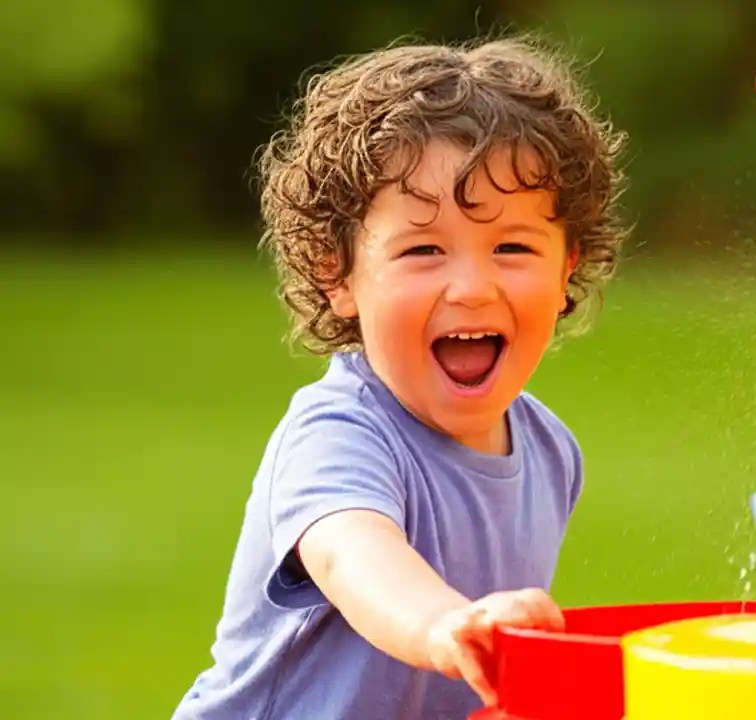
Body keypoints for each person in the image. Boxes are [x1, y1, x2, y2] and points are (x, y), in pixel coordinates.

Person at [173, 35, 627, 720]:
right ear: (339, 276)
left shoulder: (550, 451)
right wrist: (444, 626)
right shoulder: (339, 432)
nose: (471, 287)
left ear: (568, 266)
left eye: (511, 246)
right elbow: (353, 557)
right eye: (423, 250)